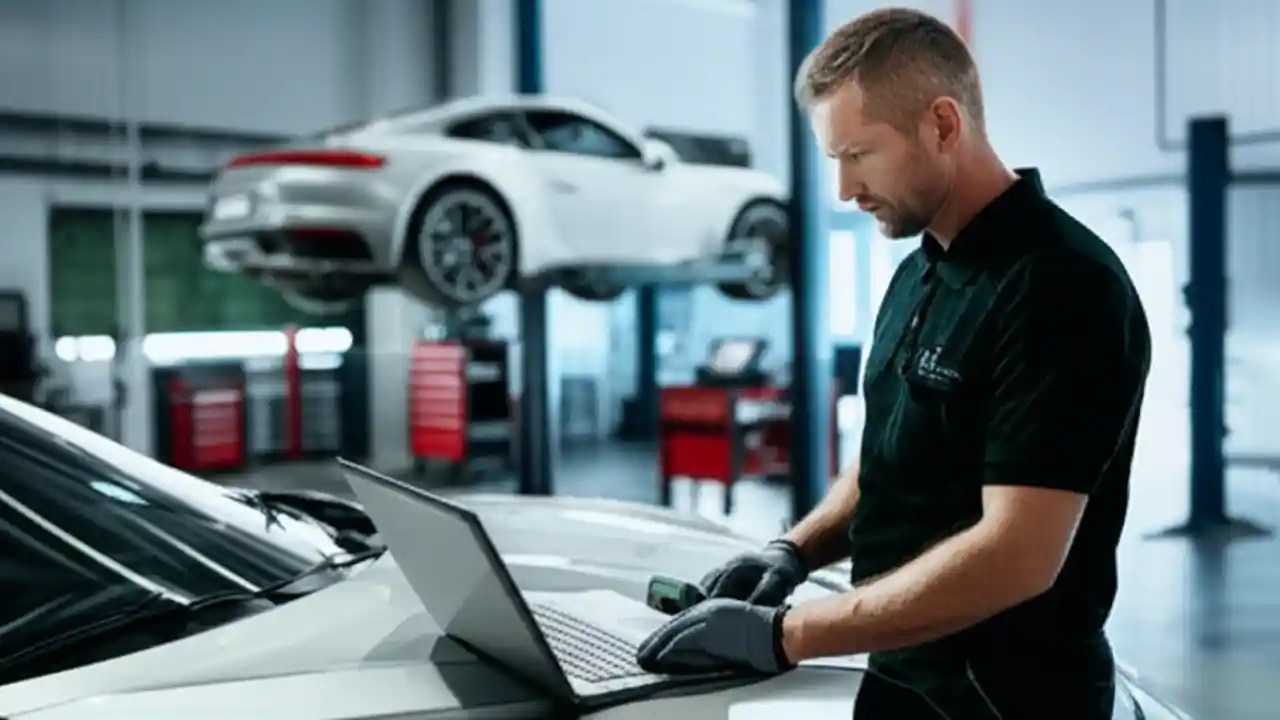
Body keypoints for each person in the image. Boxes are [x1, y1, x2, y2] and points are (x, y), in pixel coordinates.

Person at [635, 7, 1152, 720]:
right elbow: (892, 457)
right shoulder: (918, 274)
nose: (844, 190)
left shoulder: (1064, 284)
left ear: (942, 124)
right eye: (834, 160)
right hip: (902, 677)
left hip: (1009, 699)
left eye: (859, 154)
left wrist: (785, 636)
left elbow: (1019, 554)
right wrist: (794, 551)